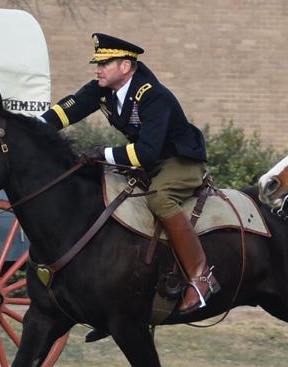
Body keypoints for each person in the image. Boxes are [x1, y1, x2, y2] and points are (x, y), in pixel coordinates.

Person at [40, 33, 219, 342]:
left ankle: (200, 277)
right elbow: (67, 110)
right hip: (149, 161)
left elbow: (147, 152)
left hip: (180, 162)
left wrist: (102, 154)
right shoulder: (104, 89)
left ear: (125, 66)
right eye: (98, 64)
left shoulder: (152, 95)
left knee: (160, 200)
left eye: (104, 64)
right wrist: (29, 129)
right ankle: (116, 296)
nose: (98, 69)